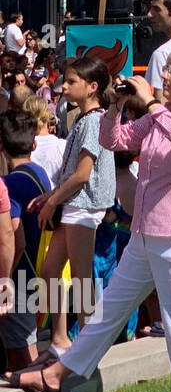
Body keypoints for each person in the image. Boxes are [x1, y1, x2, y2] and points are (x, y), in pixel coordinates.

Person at [6, 47, 171, 392]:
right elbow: (115, 139)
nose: (165, 76)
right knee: (106, 313)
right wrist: (118, 106)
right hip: (146, 235)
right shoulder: (164, 115)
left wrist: (153, 104)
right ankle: (57, 373)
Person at [29, 55, 115, 359]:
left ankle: (90, 346)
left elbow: (83, 174)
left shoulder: (94, 120)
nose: (63, 86)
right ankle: (61, 339)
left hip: (84, 205)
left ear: (92, 87)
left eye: (71, 81)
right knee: (51, 270)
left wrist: (52, 200)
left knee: (81, 279)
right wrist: (51, 195)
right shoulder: (83, 118)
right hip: (73, 204)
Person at [0, 110, 45, 370]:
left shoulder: (11, 184)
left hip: (17, 279)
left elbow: (16, 238)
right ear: (34, 144)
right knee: (28, 341)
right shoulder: (38, 173)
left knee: (19, 354)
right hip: (34, 275)